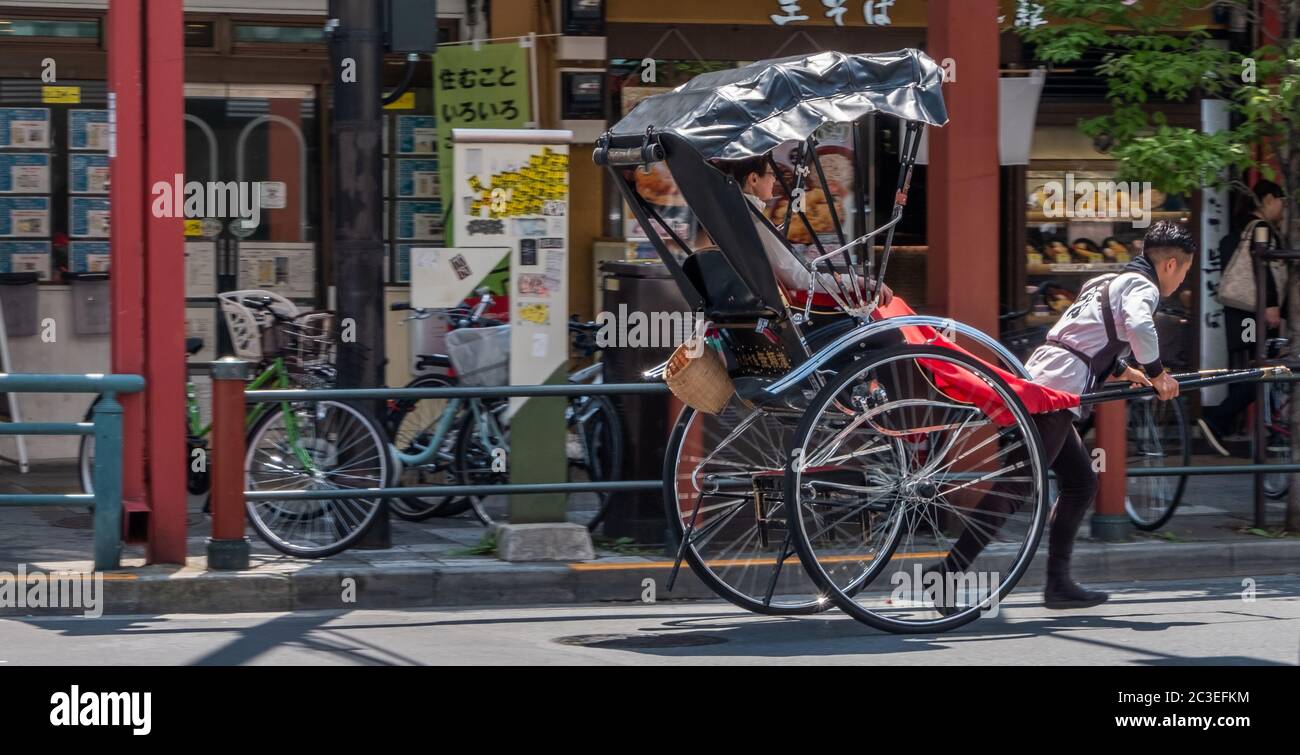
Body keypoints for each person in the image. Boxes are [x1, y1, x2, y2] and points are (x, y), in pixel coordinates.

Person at [931, 221, 1195, 611]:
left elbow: (1088, 334)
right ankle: (947, 575)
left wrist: (1129, 371)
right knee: (1016, 485)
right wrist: (1157, 373)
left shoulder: (1107, 281)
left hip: (1048, 376)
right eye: (1186, 271)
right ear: (1171, 264)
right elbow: (1138, 325)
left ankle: (1058, 584)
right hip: (1058, 387)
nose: (1181, 279)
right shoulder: (1145, 287)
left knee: (1080, 482)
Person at [718, 155, 893, 307]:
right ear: (754, 179)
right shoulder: (755, 221)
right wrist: (857, 281)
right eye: (771, 174)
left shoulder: (732, 213)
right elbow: (797, 276)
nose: (774, 180)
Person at [1199, 180, 1287, 455]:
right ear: (1269, 199)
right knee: (1262, 368)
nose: (1284, 207)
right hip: (1252, 314)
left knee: (1258, 368)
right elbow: (1264, 272)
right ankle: (1217, 419)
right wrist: (1271, 305)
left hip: (1240, 313)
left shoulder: (1239, 228)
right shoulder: (1259, 229)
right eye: (1281, 200)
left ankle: (1266, 430)